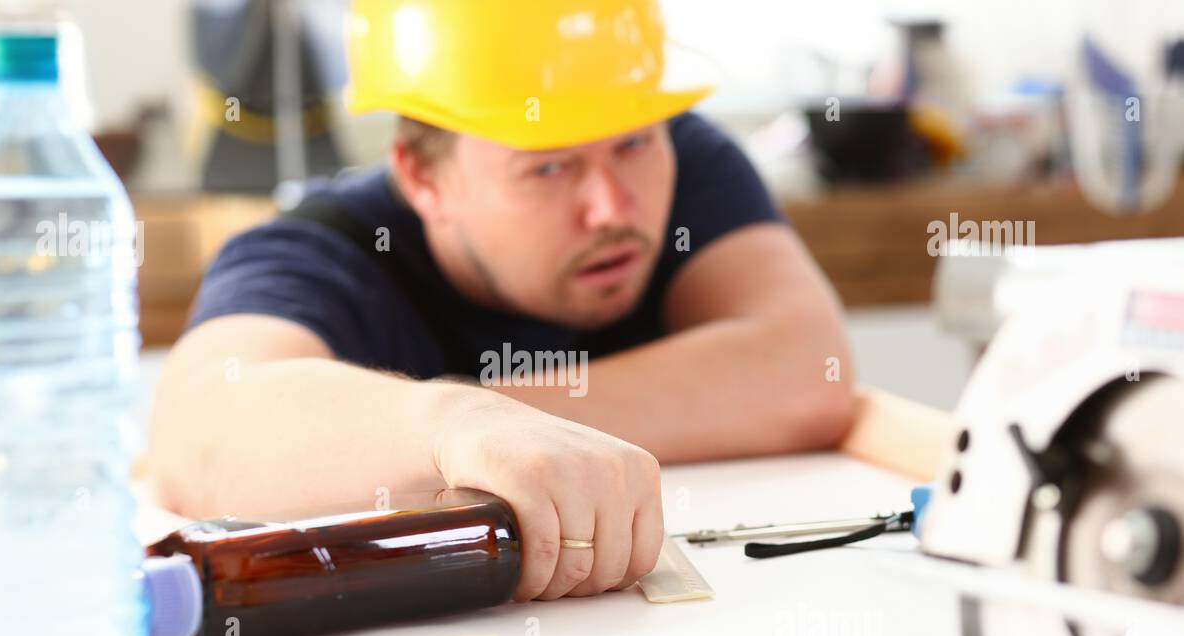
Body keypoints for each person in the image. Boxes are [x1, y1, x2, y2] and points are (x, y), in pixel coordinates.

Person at [150, 0, 855, 603]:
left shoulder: (682, 151)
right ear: (422, 177)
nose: (613, 207)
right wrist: (458, 426)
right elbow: (198, 432)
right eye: (548, 165)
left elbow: (805, 368)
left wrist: (514, 434)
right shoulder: (317, 253)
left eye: (635, 143)